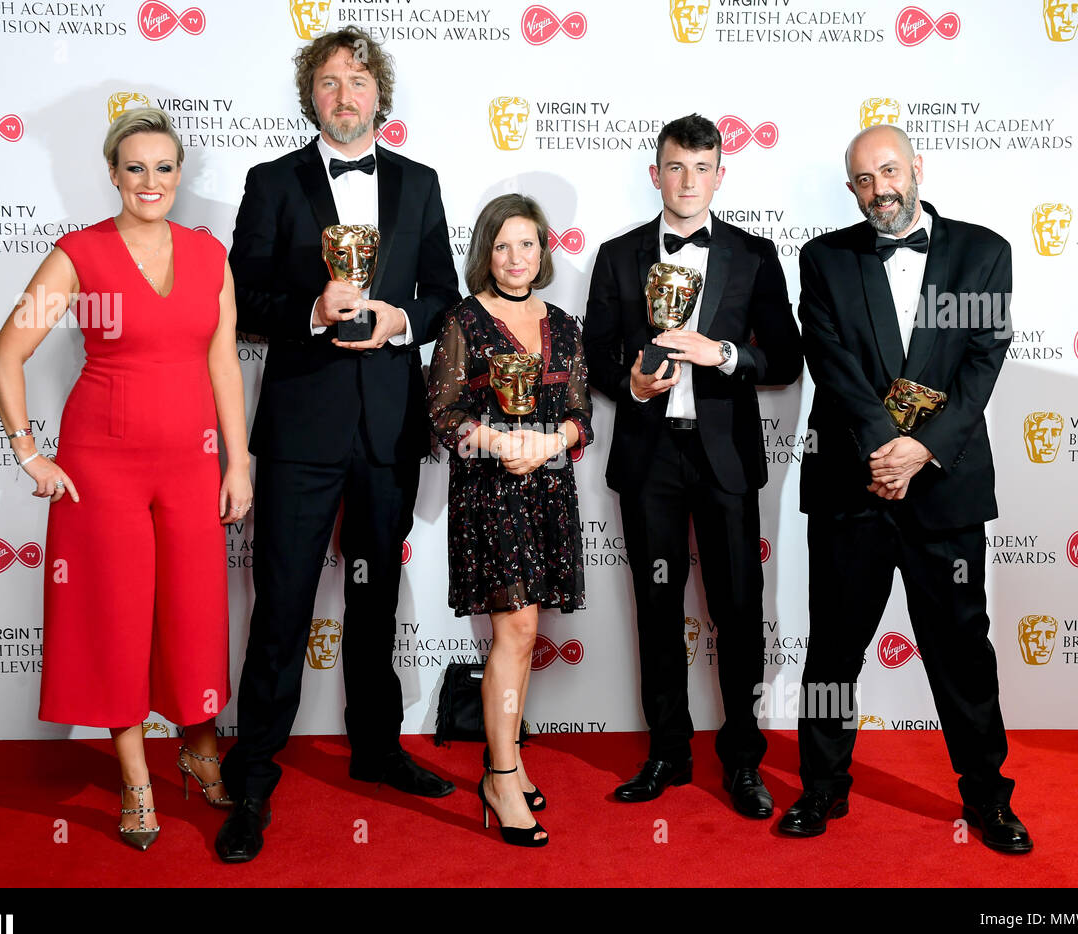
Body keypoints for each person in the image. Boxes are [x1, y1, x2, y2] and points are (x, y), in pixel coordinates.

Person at [217, 25, 461, 863]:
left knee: (375, 597)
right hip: (298, 432)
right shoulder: (272, 181)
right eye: (328, 82)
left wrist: (400, 321)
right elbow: (243, 297)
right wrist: (310, 312)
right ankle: (251, 774)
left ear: (379, 95)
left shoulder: (420, 183)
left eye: (357, 80)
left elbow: (446, 300)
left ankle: (379, 747)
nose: (344, 94)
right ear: (310, 97)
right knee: (280, 606)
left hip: (388, 427)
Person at [0, 107, 251, 850]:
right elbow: (7, 353)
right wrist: (29, 452)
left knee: (195, 610)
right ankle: (137, 779)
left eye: (163, 167)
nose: (150, 181)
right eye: (134, 167)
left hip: (194, 463)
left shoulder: (209, 254)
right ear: (112, 173)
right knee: (118, 616)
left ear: (179, 174)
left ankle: (199, 752)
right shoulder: (79, 254)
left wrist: (240, 460)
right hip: (100, 468)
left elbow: (223, 362)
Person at [784, 123, 1031, 854]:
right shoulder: (824, 259)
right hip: (851, 488)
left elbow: (983, 361)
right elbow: (831, 364)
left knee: (961, 651)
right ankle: (822, 786)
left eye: (888, 171)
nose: (878, 190)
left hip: (944, 488)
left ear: (916, 167)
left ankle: (989, 796)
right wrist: (882, 450)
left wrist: (921, 449)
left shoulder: (984, 252)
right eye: (862, 179)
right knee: (833, 649)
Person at [582, 113, 801, 815]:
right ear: (656, 173)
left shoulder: (755, 253)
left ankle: (742, 760)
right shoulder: (617, 256)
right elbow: (595, 356)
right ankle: (667, 753)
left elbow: (789, 359)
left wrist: (727, 355)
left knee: (737, 611)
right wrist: (632, 384)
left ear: (719, 174)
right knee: (655, 607)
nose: (687, 181)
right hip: (650, 460)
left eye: (701, 168)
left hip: (726, 460)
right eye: (675, 167)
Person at [428, 194, 592, 847]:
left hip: (549, 492)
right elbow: (442, 415)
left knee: (523, 637)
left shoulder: (566, 325)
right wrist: (502, 443)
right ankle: (498, 774)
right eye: (502, 245)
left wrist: (549, 444)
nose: (515, 258)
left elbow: (581, 417)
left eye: (527, 244)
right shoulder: (463, 322)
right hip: (489, 494)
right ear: (486, 253)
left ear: (543, 252)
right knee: (515, 629)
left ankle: (512, 760)